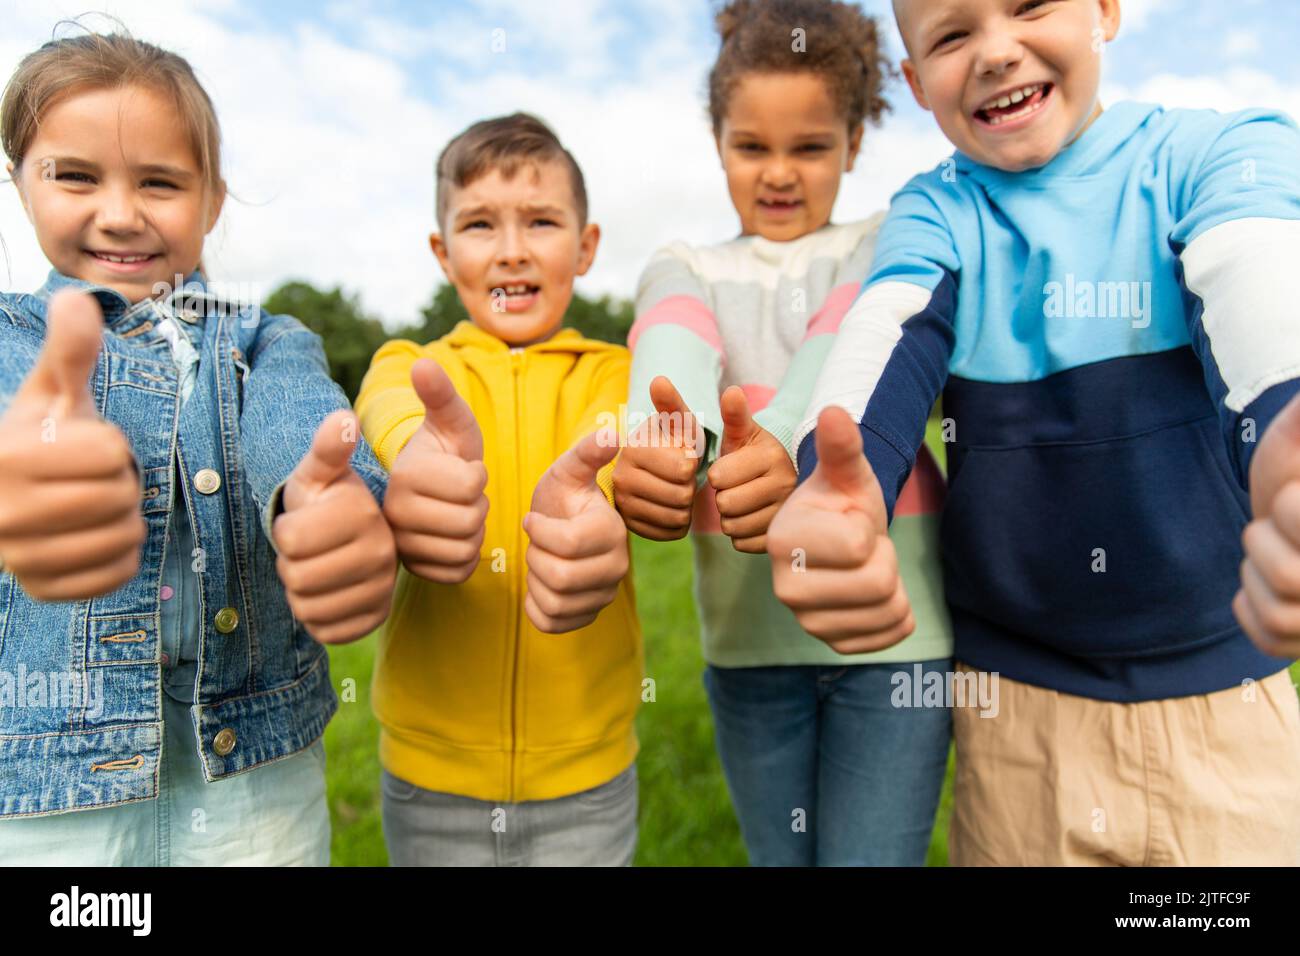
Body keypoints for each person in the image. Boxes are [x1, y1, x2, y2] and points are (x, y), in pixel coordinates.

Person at [772, 0, 1300, 864]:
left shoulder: (1220, 151)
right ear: (913, 82)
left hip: (1234, 714)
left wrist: (1287, 435)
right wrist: (839, 485)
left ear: (1104, 12)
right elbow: (886, 330)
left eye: (1029, 6)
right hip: (1016, 723)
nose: (997, 51)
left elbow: (1257, 281)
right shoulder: (934, 212)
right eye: (951, 35)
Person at [0, 31, 396, 864]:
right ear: (19, 180)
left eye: (159, 182)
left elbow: (299, 423)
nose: (118, 212)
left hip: (255, 776)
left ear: (213, 200)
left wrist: (323, 501)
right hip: (47, 793)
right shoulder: (10, 338)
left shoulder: (265, 340)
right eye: (75, 175)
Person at [613, 0, 953, 865]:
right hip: (749, 653)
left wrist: (777, 441)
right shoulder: (685, 262)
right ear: (716, 139)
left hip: (896, 643)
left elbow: (844, 343)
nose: (779, 174)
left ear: (854, 145)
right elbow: (674, 341)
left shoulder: (881, 242)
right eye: (751, 146)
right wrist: (670, 439)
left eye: (810, 147)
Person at [355, 113, 642, 866]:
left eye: (542, 222)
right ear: (445, 254)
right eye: (480, 225)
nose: (512, 250)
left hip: (587, 775)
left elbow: (618, 444)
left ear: (585, 247)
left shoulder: (614, 371)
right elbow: (388, 407)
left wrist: (599, 503)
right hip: (430, 776)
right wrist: (413, 454)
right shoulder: (409, 363)